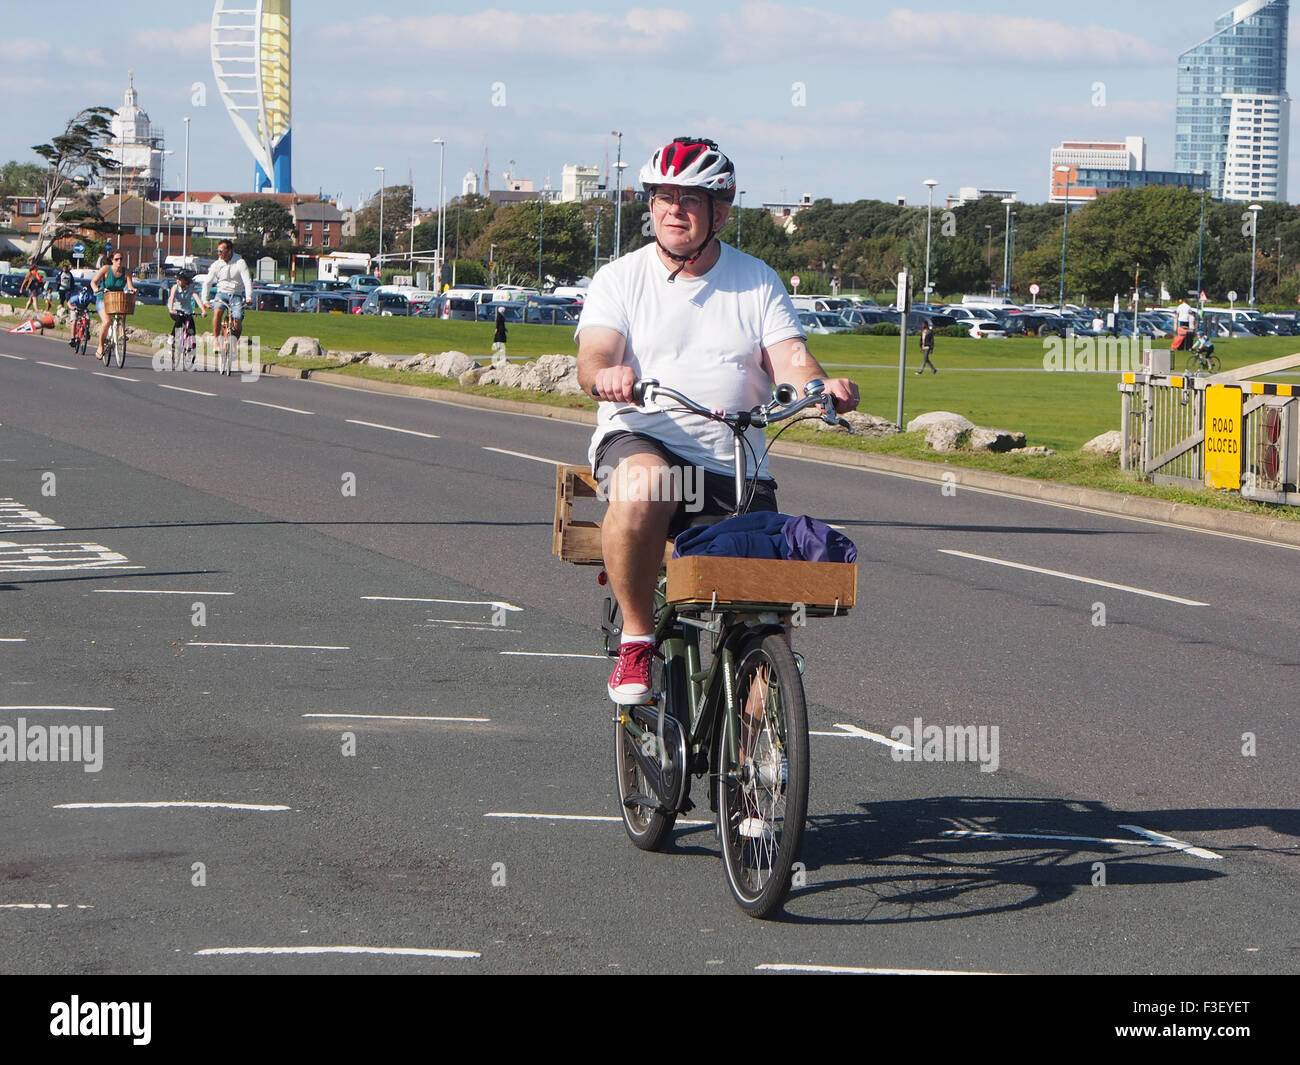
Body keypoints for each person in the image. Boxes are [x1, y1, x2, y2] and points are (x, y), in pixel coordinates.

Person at [576, 136, 859, 704]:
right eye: (663, 196)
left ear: (719, 212)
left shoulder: (757, 281)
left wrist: (819, 387)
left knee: (765, 624)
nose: (673, 209)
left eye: (690, 199)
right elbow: (594, 355)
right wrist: (606, 374)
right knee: (646, 483)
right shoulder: (620, 278)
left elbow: (791, 358)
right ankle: (637, 640)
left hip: (735, 462)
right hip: (644, 435)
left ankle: (762, 761)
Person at [201, 239, 254, 353]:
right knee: (218, 311)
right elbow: (208, 282)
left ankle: (234, 342)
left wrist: (249, 297)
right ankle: (216, 340)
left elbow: (247, 280)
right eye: (218, 251)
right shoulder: (217, 264)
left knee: (237, 320)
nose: (219, 254)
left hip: (236, 294)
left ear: (229, 251)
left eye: (221, 251)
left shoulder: (240, 262)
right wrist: (204, 300)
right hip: (222, 293)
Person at [90, 252, 135, 360]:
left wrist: (133, 290)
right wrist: (96, 289)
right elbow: (93, 282)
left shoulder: (126, 272)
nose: (119, 261)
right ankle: (100, 346)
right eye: (116, 259)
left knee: (123, 311)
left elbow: (130, 286)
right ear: (112, 260)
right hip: (104, 297)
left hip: (117, 298)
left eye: (121, 259)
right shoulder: (106, 269)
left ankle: (121, 333)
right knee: (107, 322)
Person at [167, 269, 204, 352]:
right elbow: (172, 298)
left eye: (181, 279)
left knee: (192, 329)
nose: (178, 281)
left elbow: (196, 297)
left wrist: (203, 310)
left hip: (187, 311)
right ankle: (172, 336)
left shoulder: (190, 288)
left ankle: (190, 346)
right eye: (178, 279)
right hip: (176, 309)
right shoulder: (175, 287)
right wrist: (171, 309)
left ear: (186, 280)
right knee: (179, 320)